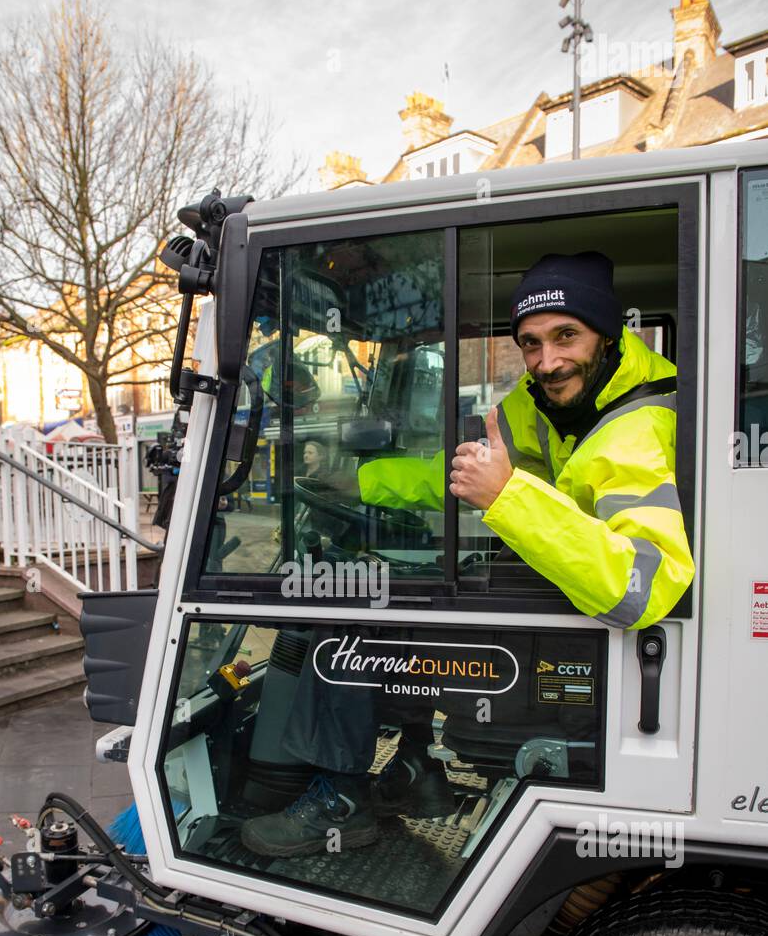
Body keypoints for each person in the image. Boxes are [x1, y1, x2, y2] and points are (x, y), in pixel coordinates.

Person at [240, 251, 695, 858]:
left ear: (607, 335)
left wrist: (507, 496)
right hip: (559, 616)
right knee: (411, 591)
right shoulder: (550, 404)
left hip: (588, 645)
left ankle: (343, 798)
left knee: (345, 623)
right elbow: (458, 473)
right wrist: (358, 480)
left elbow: (643, 587)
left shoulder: (633, 430)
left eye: (567, 336)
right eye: (531, 344)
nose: (547, 361)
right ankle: (415, 767)